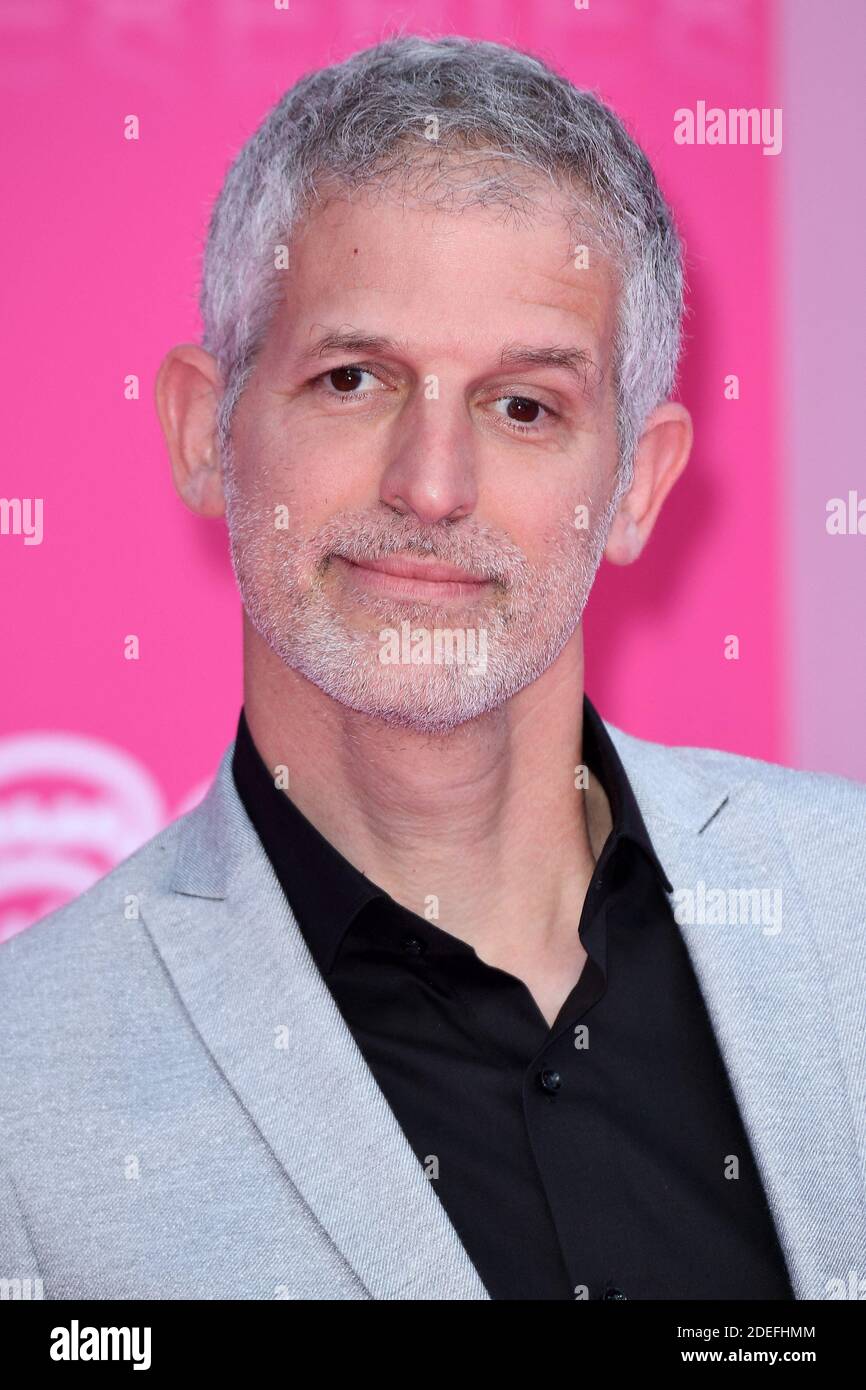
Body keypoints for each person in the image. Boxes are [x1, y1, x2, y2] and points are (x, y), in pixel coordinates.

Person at [2, 35, 863, 1302]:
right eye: (352, 379)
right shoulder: (26, 1089)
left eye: (523, 405)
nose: (431, 486)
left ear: (636, 485)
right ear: (204, 431)